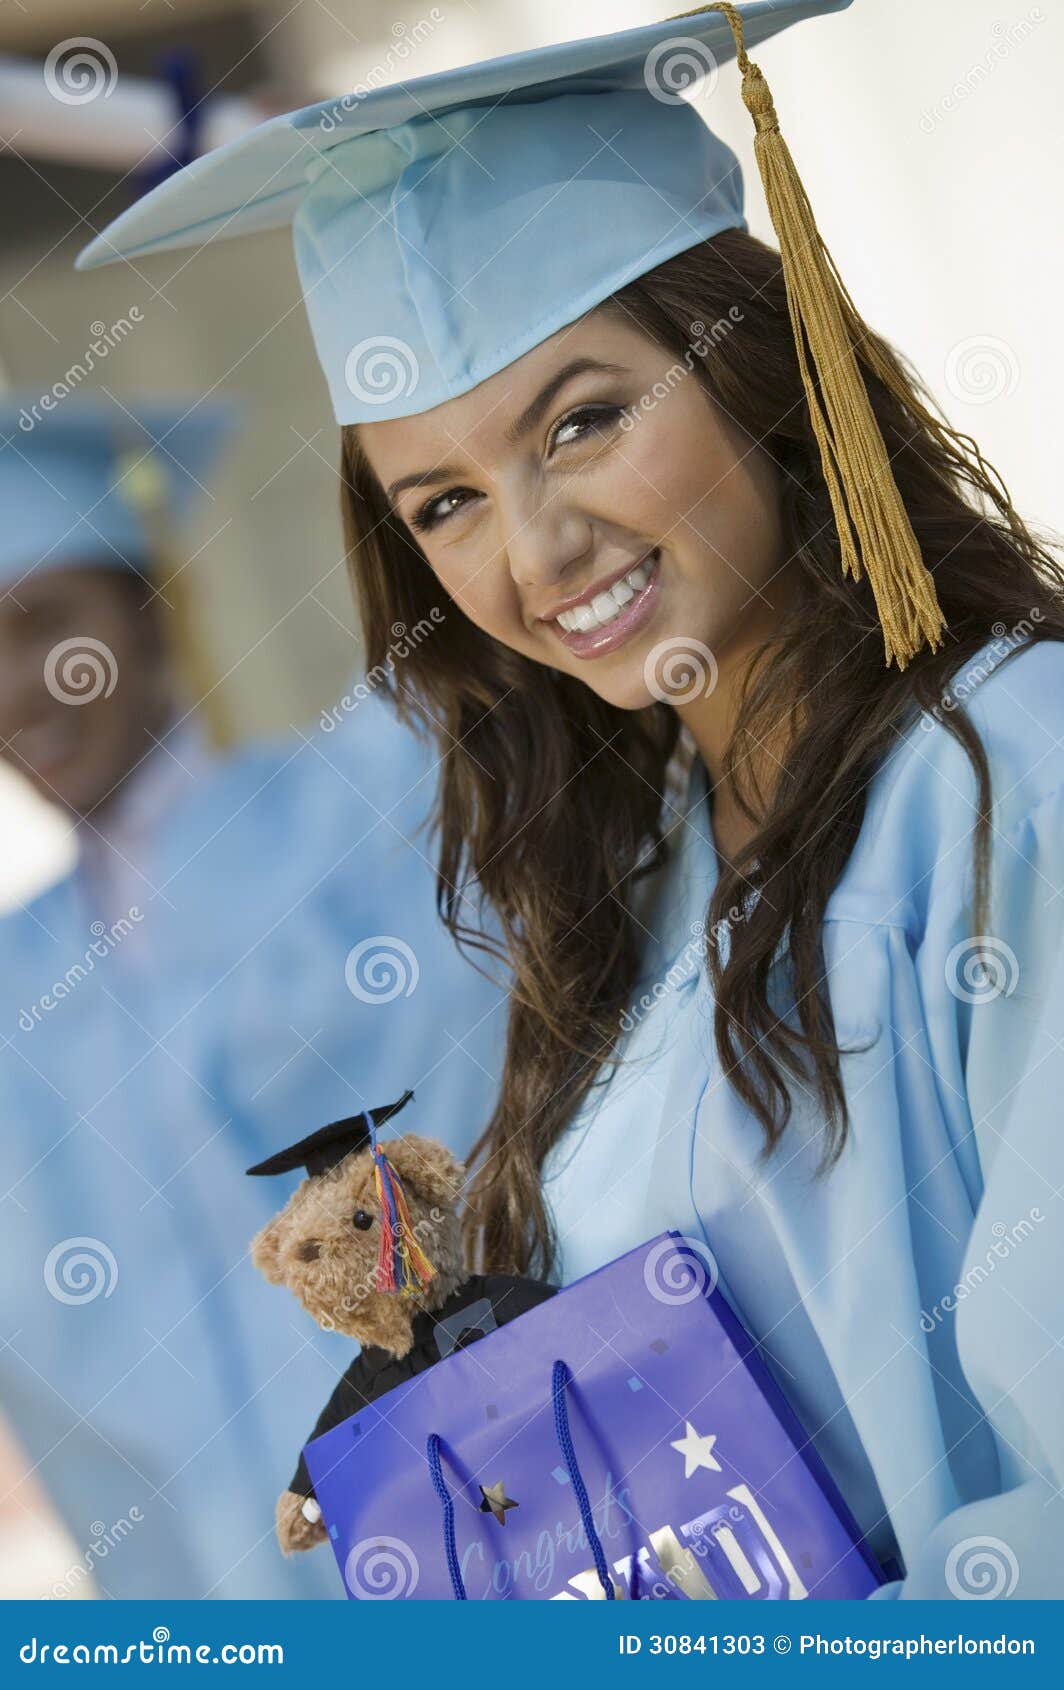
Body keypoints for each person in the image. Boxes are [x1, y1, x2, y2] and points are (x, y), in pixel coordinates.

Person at [80, 1, 1063, 1600]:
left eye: (585, 420)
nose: (533, 558)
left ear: (758, 359)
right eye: (447, 504)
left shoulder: (1007, 779)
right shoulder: (647, 874)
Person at [0, 399, 508, 1597]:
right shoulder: (18, 982)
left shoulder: (358, 813)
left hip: (484, 1535)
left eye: (48, 624)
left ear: (153, 612)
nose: (20, 685)